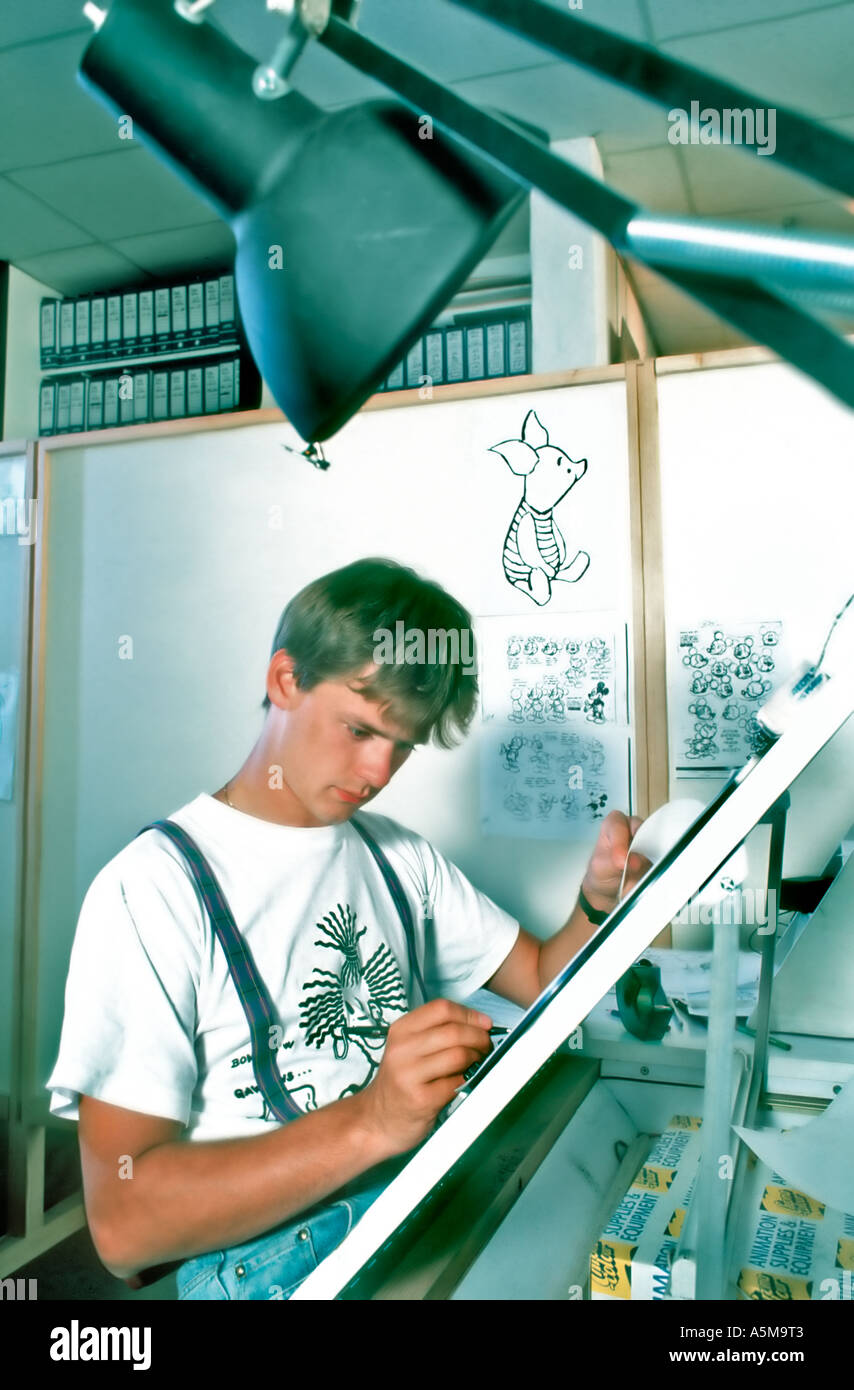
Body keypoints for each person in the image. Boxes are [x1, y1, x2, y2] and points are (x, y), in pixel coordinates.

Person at [47, 557, 648, 1300]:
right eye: (360, 729)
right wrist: (374, 1118)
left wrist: (597, 903)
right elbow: (124, 1227)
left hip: (415, 1215)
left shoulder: (398, 855)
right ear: (284, 680)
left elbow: (541, 979)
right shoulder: (153, 889)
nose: (377, 770)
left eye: (403, 745)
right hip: (267, 1272)